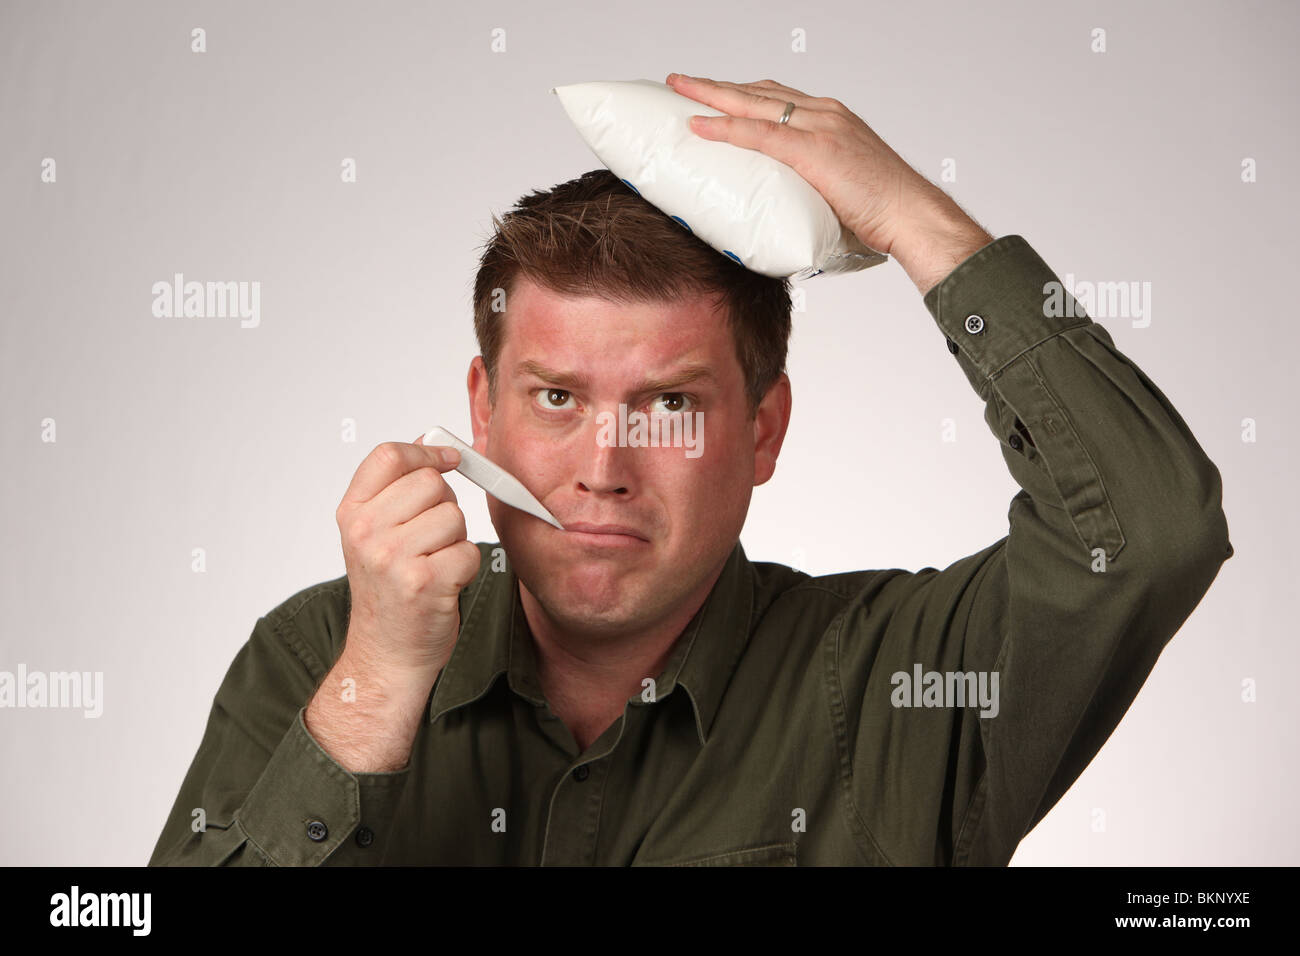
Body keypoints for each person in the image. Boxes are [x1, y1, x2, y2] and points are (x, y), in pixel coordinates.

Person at [149, 74, 1232, 866]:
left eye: (669, 404)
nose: (603, 469)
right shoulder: (315, 654)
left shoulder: (898, 688)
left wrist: (915, 218)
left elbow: (1148, 532)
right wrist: (372, 689)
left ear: (764, 431)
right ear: (483, 411)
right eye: (556, 398)